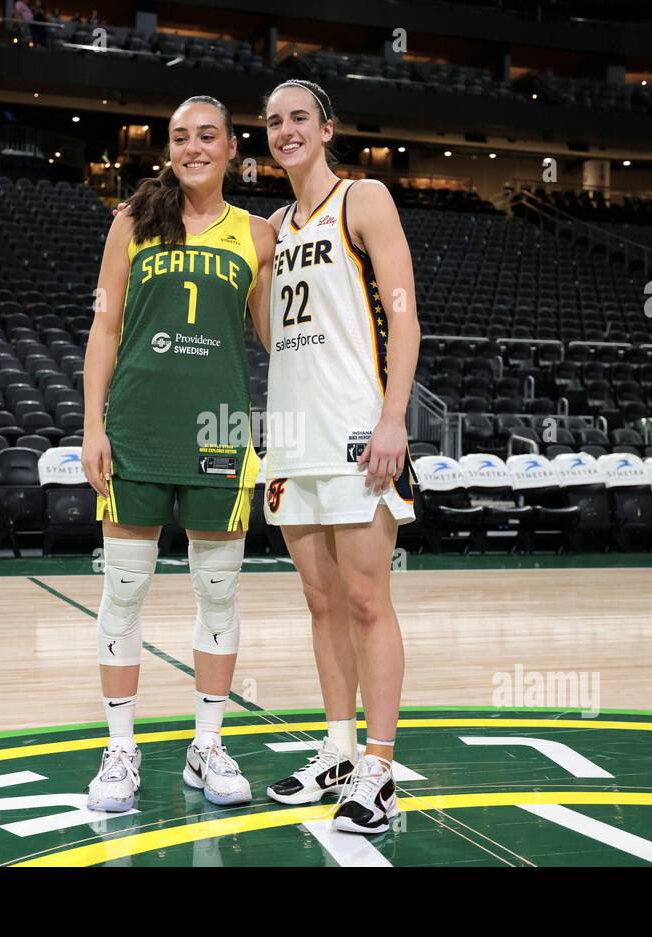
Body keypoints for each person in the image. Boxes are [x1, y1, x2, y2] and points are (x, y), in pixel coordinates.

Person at [80, 94, 276, 813]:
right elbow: (103, 330)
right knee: (124, 592)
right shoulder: (131, 221)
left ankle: (207, 743)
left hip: (220, 432)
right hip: (135, 427)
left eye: (208, 137)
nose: (193, 147)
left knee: (218, 594)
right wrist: (92, 426)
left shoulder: (258, 236)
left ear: (231, 148)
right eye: (180, 137)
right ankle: (120, 750)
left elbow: (274, 343)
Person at [257, 80, 421, 835]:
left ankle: (381, 770)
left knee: (365, 600)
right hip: (292, 436)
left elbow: (404, 314)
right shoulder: (273, 226)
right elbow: (271, 336)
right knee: (321, 604)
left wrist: (394, 419)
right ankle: (338, 750)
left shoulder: (365, 199)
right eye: (272, 122)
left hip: (359, 431)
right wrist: (258, 264)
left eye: (298, 118)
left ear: (326, 128)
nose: (285, 130)